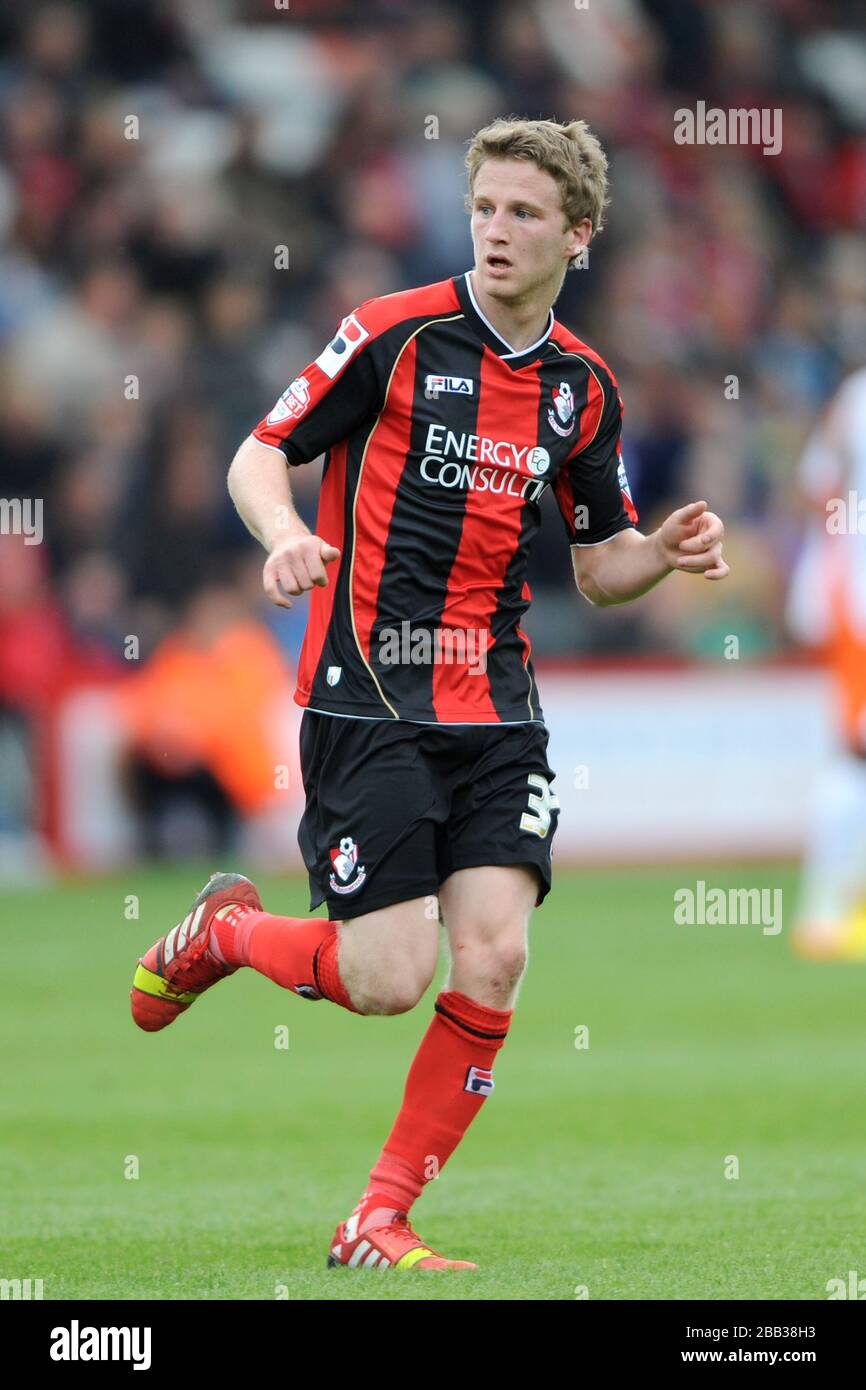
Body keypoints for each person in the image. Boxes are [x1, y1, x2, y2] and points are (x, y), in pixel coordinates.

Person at [129, 117, 728, 1271]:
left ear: (577, 235)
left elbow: (597, 566)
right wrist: (285, 533)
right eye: (483, 208)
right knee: (387, 977)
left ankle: (379, 1216)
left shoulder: (582, 390)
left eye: (522, 214)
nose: (495, 232)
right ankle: (228, 928)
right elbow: (259, 453)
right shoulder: (393, 335)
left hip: (496, 703)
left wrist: (657, 550)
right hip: (370, 692)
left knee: (495, 955)